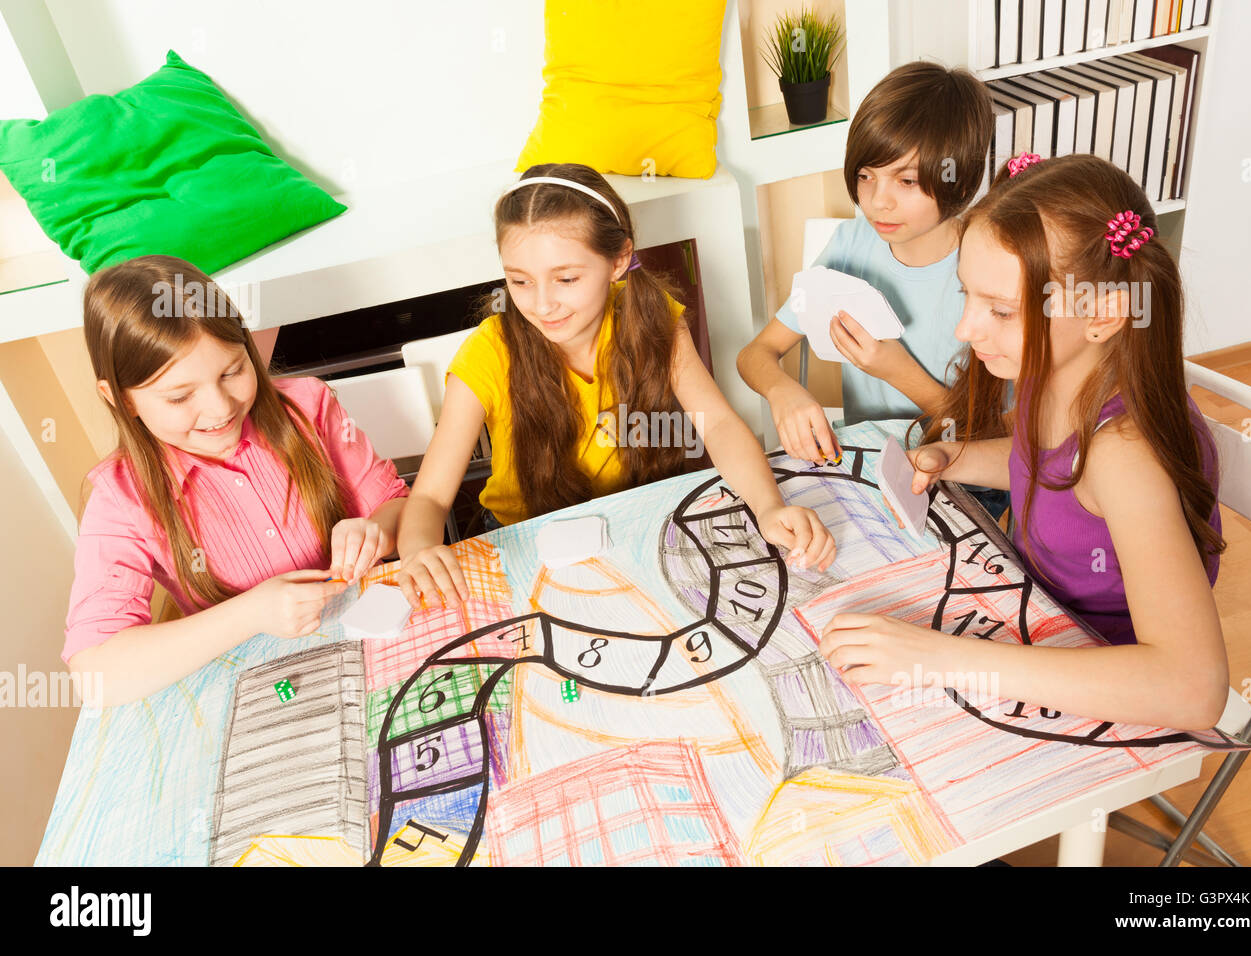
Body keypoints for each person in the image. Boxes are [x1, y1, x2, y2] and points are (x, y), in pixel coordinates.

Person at [820, 154, 1229, 731]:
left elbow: (1194, 690)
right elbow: (1045, 464)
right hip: (1033, 617)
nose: (966, 328)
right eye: (967, 295)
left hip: (1103, 687)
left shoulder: (1125, 456)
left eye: (1001, 310)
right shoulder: (1052, 371)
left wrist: (936, 659)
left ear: (1103, 314)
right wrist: (953, 458)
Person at [396, 164, 836, 610]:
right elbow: (430, 496)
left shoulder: (654, 317)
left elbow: (717, 423)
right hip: (525, 543)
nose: (542, 303)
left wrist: (768, 508)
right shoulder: (488, 352)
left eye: (566, 279)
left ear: (619, 259)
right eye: (520, 281)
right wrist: (419, 550)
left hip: (634, 522)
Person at [64, 256, 409, 705]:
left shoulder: (308, 406)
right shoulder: (120, 499)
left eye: (231, 371)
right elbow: (95, 673)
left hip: (381, 648)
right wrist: (250, 613)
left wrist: (377, 530)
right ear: (121, 400)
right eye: (180, 396)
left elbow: (400, 505)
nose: (220, 407)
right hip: (266, 691)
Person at [737, 60, 995, 466]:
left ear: (959, 180)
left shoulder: (991, 271)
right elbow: (756, 353)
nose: (878, 201)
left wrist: (895, 370)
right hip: (868, 464)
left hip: (960, 473)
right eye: (866, 175)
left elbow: (997, 434)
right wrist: (782, 390)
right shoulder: (851, 245)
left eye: (906, 181)